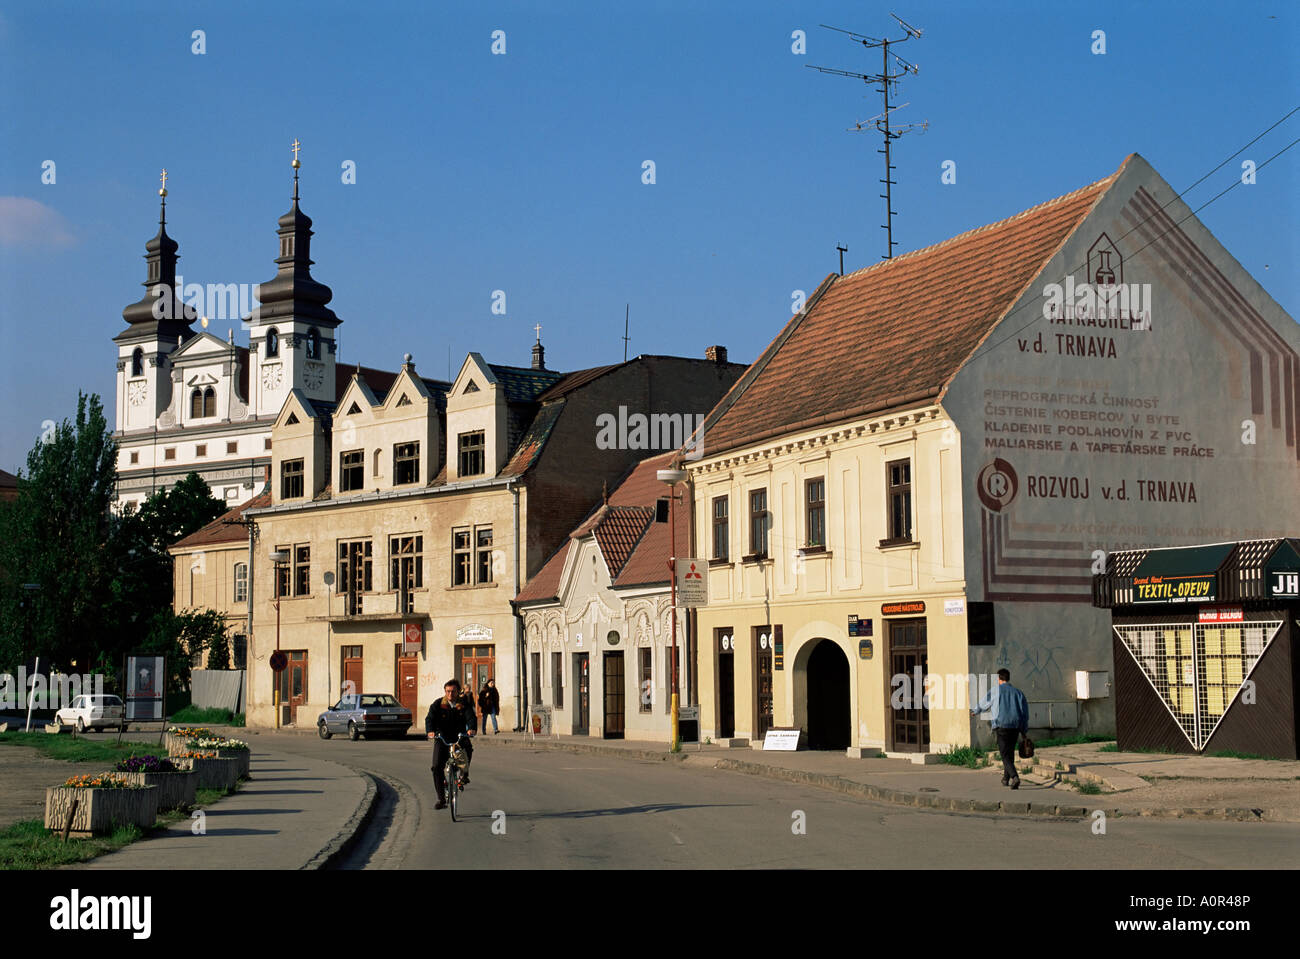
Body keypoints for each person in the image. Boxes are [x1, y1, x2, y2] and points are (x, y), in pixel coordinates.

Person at [970, 668, 1029, 789]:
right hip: (1015, 727)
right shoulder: (1018, 693)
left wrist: (975, 711)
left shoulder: (995, 691)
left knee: (1004, 754)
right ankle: (1005, 779)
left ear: (999, 679)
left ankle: (1014, 777)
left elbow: (984, 702)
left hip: (1001, 726)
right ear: (1008, 678)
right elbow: (1024, 713)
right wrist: (1023, 730)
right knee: (1010, 752)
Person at [425, 679, 475, 809]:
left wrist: (471, 728)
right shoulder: (438, 704)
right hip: (442, 738)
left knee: (467, 749)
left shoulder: (463, 704)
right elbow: (429, 718)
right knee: (436, 767)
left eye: (453, 691)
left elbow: (471, 717)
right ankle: (441, 799)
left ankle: (464, 774)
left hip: (459, 737)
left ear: (458, 692)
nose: (450, 694)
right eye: (448, 691)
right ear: (445, 691)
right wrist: (430, 731)